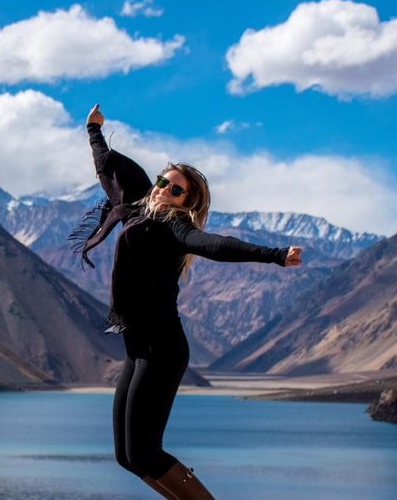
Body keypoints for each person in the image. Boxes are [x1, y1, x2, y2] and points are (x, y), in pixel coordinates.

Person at [72, 104, 302, 500]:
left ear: (186, 203)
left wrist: (275, 254)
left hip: (162, 348)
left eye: (175, 189)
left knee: (145, 451)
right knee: (127, 457)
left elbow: (216, 245)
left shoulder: (174, 227)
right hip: (137, 346)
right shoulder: (136, 206)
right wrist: (94, 130)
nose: (163, 188)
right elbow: (107, 168)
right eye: (163, 181)